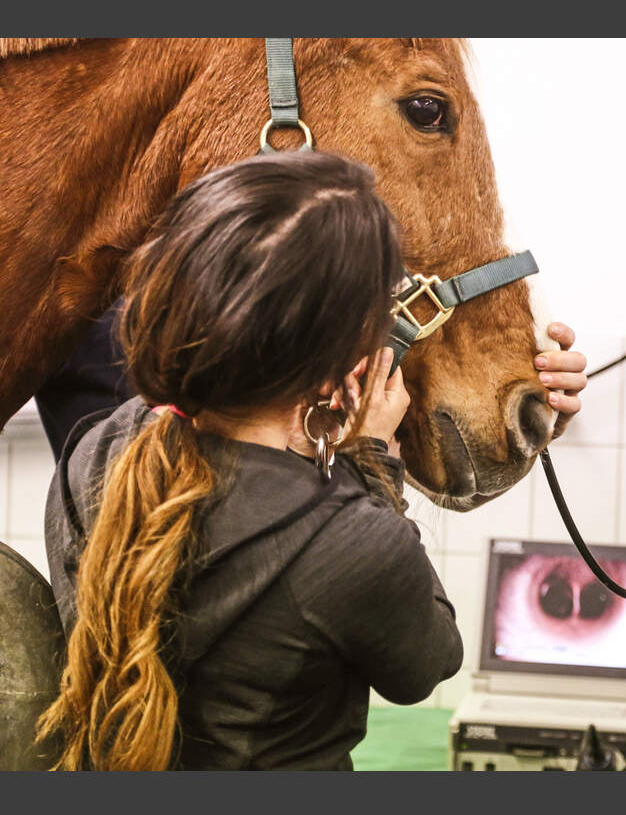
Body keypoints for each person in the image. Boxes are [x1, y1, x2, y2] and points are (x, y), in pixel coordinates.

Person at [34, 149, 577, 771]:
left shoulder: (97, 450)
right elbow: (426, 665)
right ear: (343, 355)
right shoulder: (355, 540)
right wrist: (375, 462)